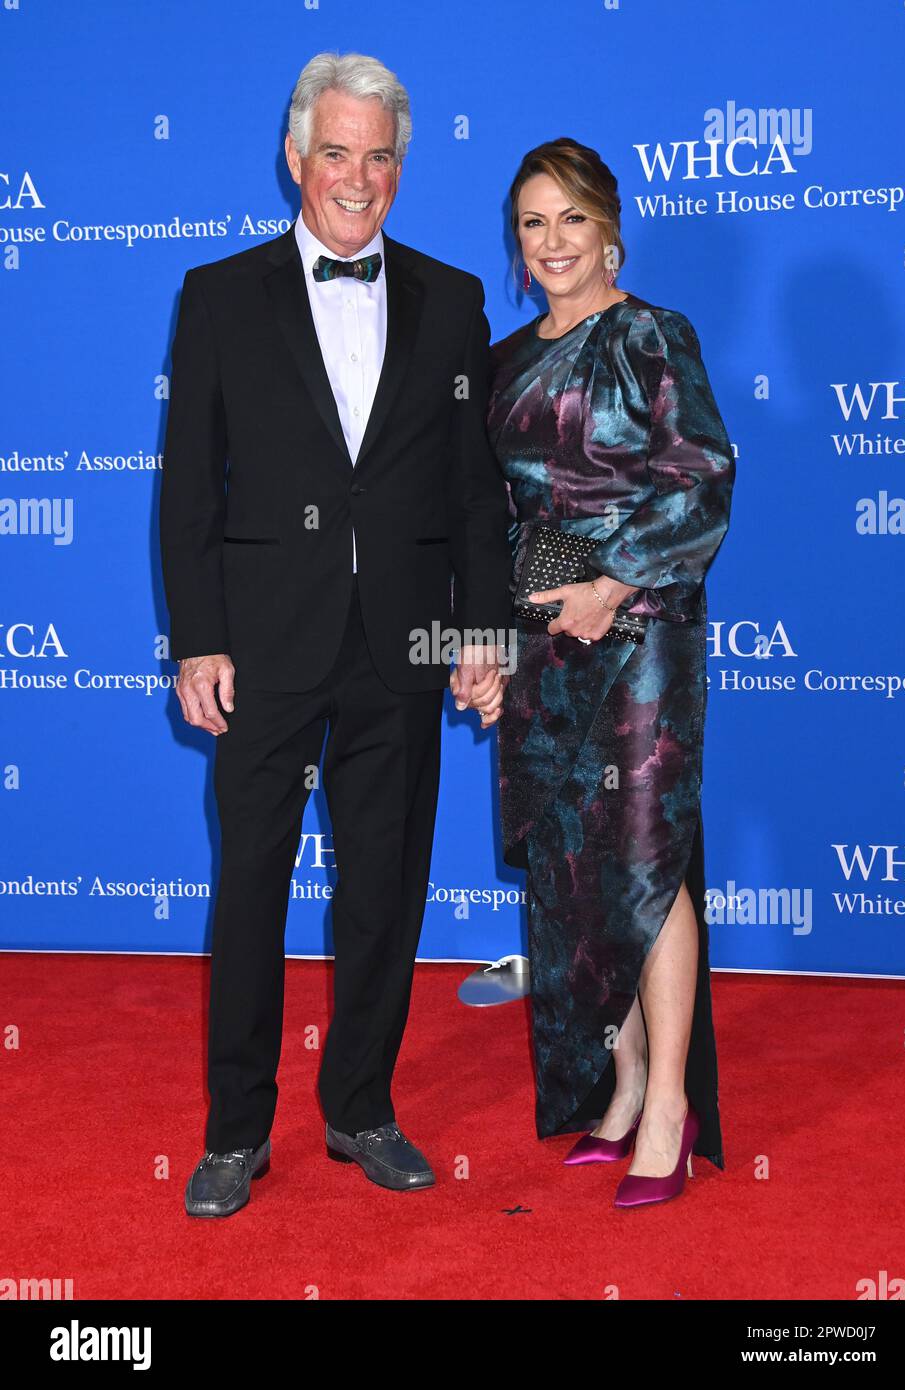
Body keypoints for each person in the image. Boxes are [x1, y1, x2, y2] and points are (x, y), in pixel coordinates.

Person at [159, 52, 511, 1217]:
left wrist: (481, 630)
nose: (356, 177)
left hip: (403, 645)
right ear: (294, 158)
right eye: (335, 152)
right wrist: (197, 637)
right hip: (262, 641)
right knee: (250, 884)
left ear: (398, 168)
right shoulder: (217, 296)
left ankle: (360, 1105)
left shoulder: (453, 300)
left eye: (377, 156)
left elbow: (472, 493)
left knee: (384, 891)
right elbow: (187, 491)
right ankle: (233, 1131)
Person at [467, 138, 735, 1208]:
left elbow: (701, 475)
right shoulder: (498, 359)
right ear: (516, 245)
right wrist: (485, 641)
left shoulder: (649, 334)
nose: (551, 241)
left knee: (641, 856)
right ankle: (617, 1088)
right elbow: (489, 518)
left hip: (637, 630)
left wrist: (611, 582)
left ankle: (668, 1101)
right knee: (570, 867)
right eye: (532, 223)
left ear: (607, 225)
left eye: (569, 217)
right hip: (540, 632)